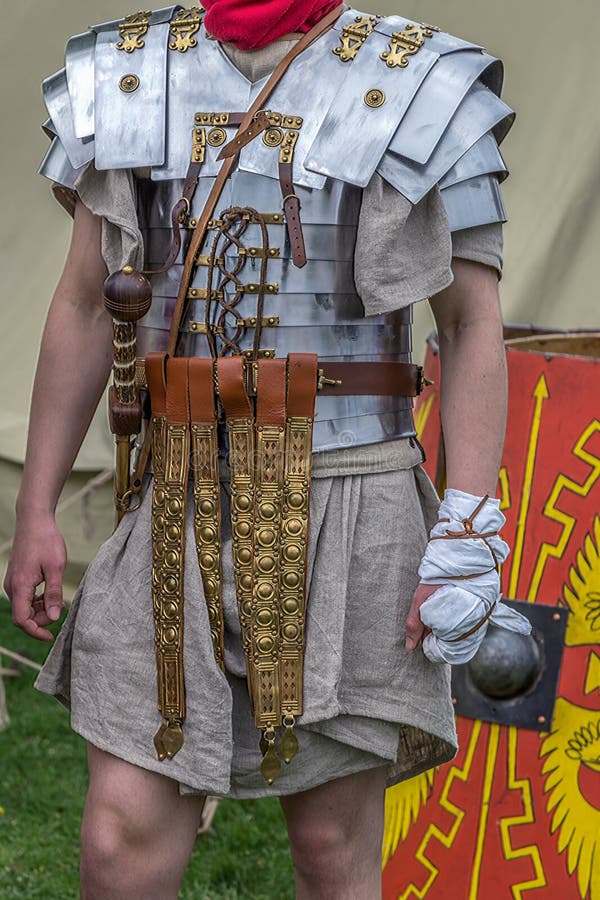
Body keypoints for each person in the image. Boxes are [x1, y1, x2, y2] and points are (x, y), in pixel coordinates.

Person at [5, 2, 530, 897]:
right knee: (118, 842)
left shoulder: (419, 84)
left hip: (351, 494)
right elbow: (88, 303)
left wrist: (469, 530)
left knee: (332, 850)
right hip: (173, 489)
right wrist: (36, 504)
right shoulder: (130, 72)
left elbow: (471, 326)